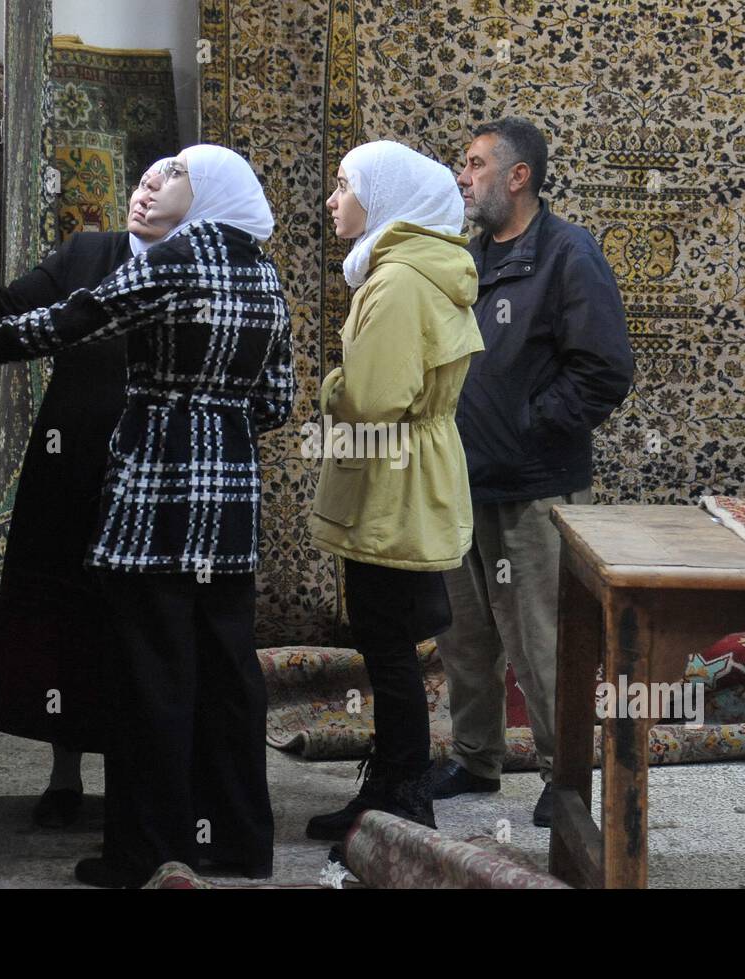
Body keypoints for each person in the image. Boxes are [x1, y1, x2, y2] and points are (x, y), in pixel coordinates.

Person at [0, 145, 295, 886]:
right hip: (232, 504)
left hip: (155, 498)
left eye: (174, 176)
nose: (155, 187)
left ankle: (146, 850)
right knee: (229, 674)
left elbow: (64, 323)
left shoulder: (173, 262)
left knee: (151, 676)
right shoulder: (264, 274)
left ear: (204, 192)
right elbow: (278, 402)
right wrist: (216, 416)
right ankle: (239, 841)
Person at [0, 164, 175, 829]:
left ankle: (138, 783)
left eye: (163, 188)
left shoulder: (195, 273)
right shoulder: (89, 253)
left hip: (150, 476)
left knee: (134, 625)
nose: (142, 194)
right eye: (140, 184)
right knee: (63, 614)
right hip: (69, 461)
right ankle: (64, 773)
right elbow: (9, 306)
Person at [433, 118, 634, 826]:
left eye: (477, 164)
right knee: (465, 634)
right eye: (464, 164)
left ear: (519, 177)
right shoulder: (469, 257)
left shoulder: (568, 254)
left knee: (541, 639)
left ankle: (565, 773)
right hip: (462, 484)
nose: (463, 176)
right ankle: (474, 757)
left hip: (535, 487)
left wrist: (527, 424)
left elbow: (605, 369)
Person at [305, 140, 484, 842]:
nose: (333, 198)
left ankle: (401, 794)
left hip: (392, 480)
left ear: (384, 200)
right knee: (391, 643)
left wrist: (329, 388)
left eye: (345, 184)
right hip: (409, 472)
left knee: (388, 647)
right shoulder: (413, 269)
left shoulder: (399, 279)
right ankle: (392, 786)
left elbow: (375, 397)